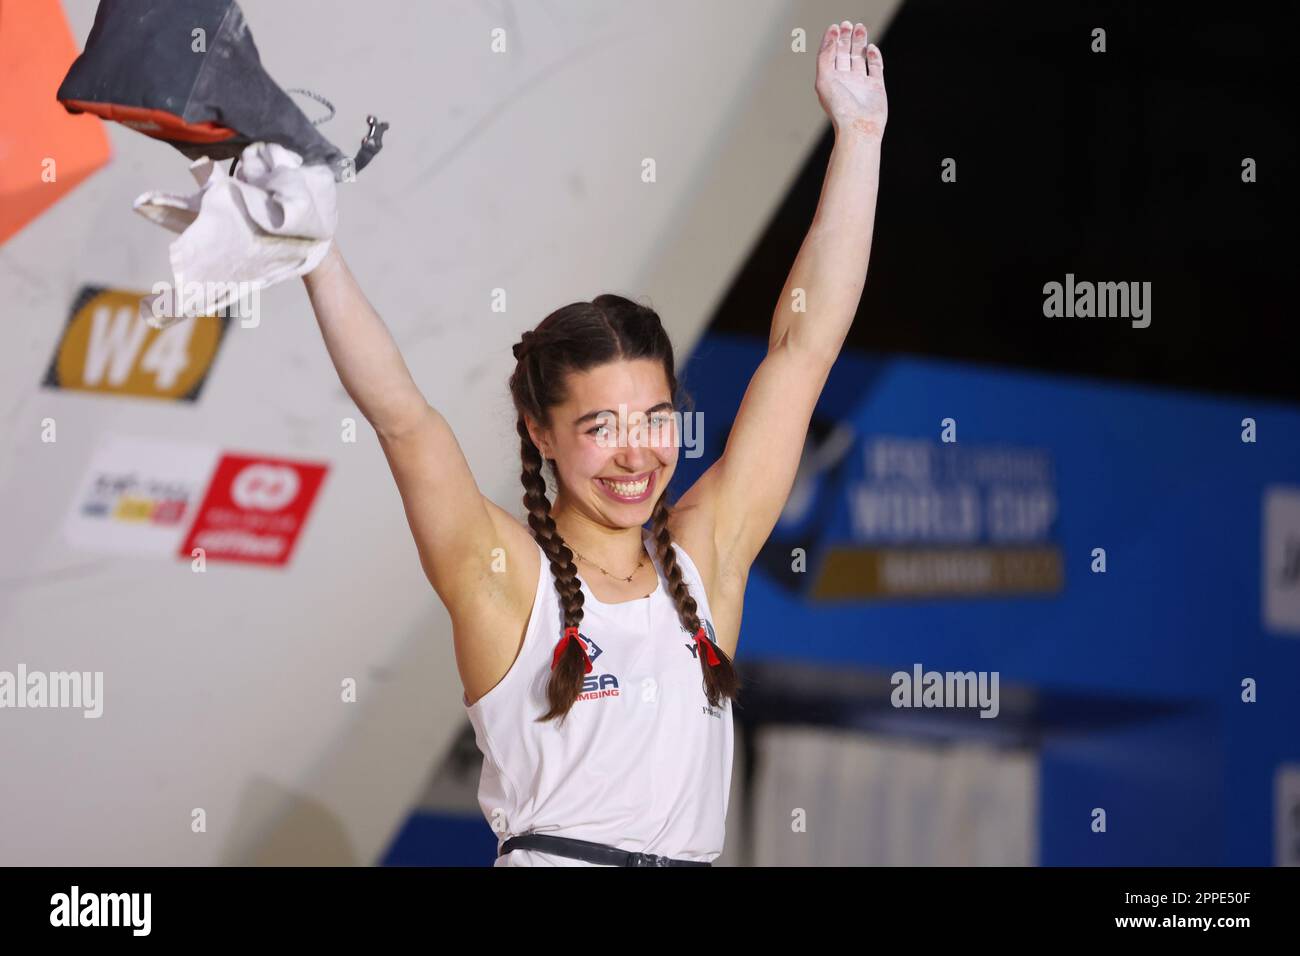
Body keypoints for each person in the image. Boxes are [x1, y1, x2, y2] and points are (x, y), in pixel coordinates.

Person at [300, 20, 886, 866]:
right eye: (599, 427)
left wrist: (859, 139)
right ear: (540, 432)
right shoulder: (503, 578)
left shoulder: (706, 558)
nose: (636, 452)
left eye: (652, 420)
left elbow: (805, 348)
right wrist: (315, 252)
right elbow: (404, 420)